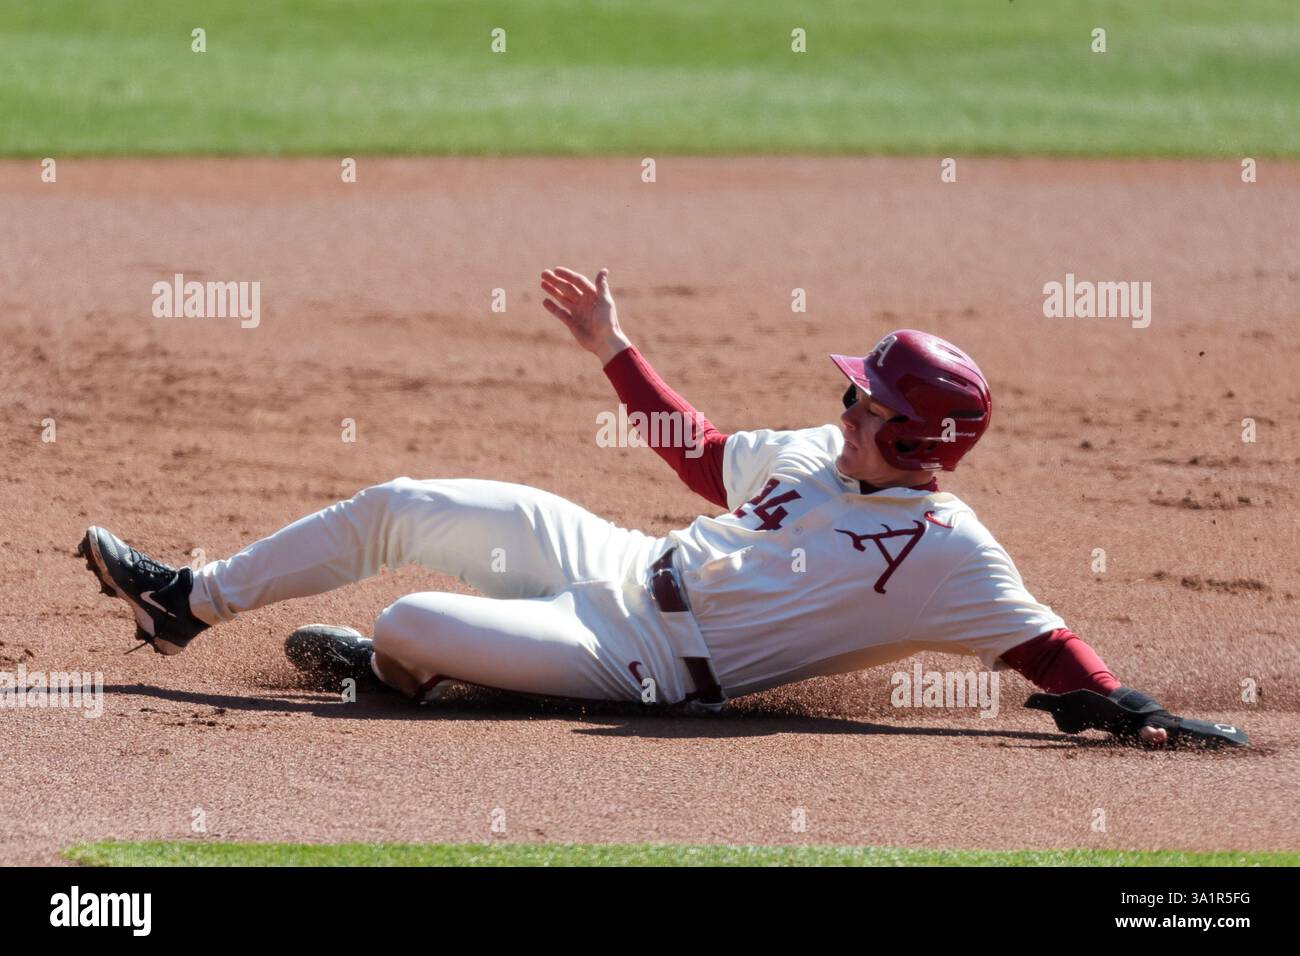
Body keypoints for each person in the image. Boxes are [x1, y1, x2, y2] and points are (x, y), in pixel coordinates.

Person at [78, 266, 1247, 747]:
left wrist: (1128, 710)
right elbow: (705, 461)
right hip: (622, 559)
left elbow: (1047, 647)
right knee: (405, 501)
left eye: (869, 399)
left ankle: (407, 671)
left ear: (915, 437)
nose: (846, 403)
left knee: (408, 618)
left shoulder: (947, 551)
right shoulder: (817, 450)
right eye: (854, 389)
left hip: (639, 661)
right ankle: (189, 601)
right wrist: (613, 346)